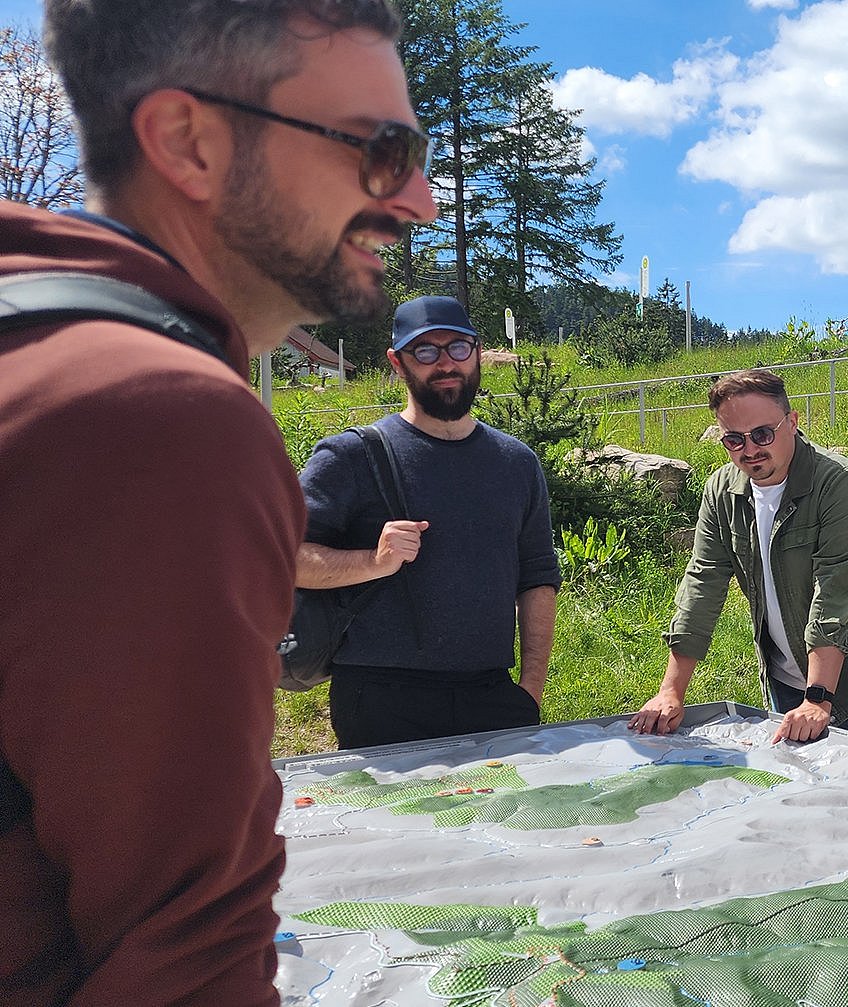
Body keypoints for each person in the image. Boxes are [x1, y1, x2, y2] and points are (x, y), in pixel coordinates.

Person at [0, 1, 434, 1001]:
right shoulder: (157, 414)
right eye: (380, 150)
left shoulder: (35, 347)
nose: (417, 200)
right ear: (189, 144)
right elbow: (187, 951)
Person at [298, 295, 560, 750]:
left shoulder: (516, 463)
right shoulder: (350, 456)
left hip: (492, 694)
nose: (445, 364)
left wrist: (530, 686)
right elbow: (282, 560)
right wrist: (372, 561)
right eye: (425, 351)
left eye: (457, 348)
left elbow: (537, 576)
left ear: (478, 354)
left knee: (506, 821)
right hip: (381, 697)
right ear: (398, 364)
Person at [630, 369, 848, 743]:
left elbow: (837, 591)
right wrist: (671, 692)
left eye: (762, 434)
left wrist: (818, 698)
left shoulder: (839, 484)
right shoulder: (721, 492)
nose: (749, 450)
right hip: (783, 673)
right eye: (733, 440)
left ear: (792, 422)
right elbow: (703, 583)